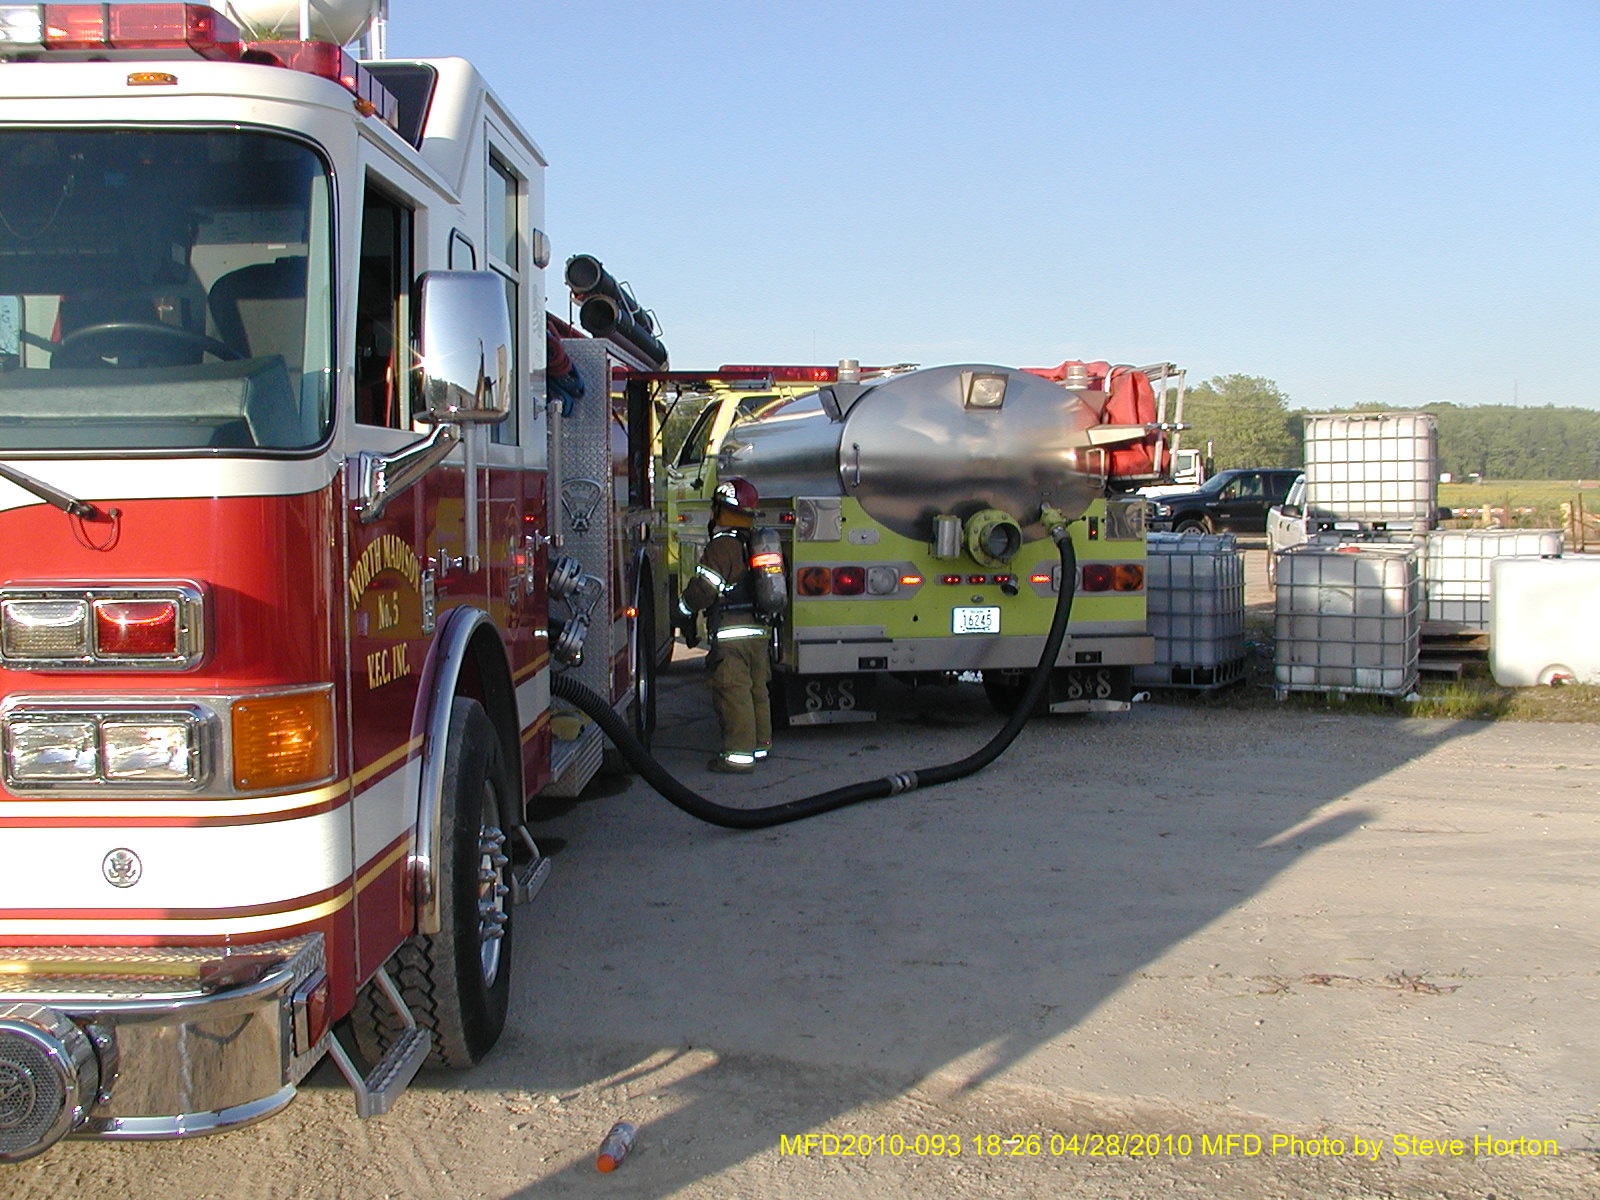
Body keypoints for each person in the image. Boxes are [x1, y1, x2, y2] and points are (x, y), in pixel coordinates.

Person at [678, 477, 773, 773]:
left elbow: (704, 590)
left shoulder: (723, 546)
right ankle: (760, 747)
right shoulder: (755, 543)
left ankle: (737, 758)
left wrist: (682, 608)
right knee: (758, 690)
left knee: (734, 693)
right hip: (759, 631)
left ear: (723, 510)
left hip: (732, 634)